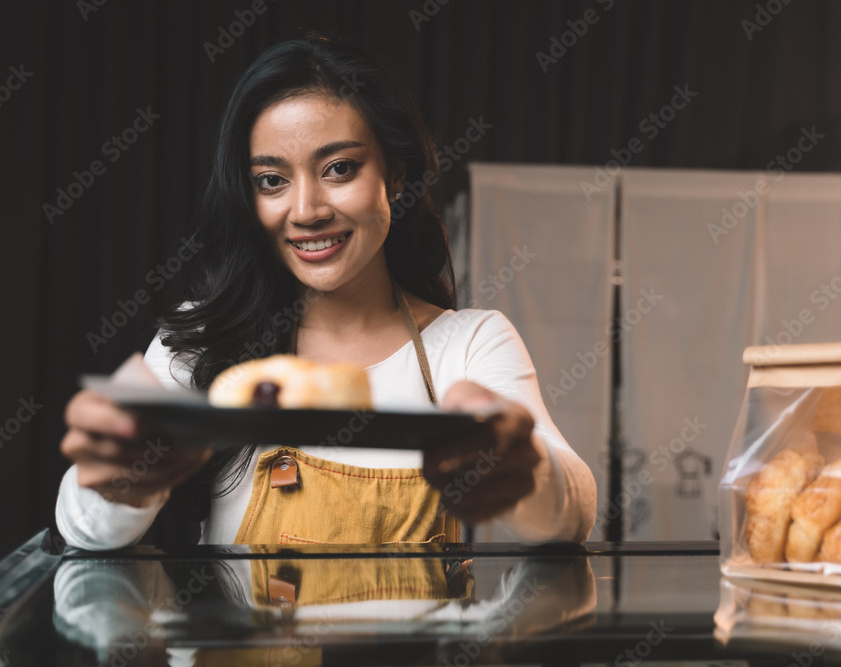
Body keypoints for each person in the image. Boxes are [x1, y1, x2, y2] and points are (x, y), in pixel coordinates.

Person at [56, 36, 596, 549]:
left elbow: (572, 514)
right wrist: (123, 478)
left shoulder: (469, 343)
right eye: (272, 180)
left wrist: (525, 468)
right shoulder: (198, 340)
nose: (307, 210)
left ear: (397, 175)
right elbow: (85, 531)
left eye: (339, 168)